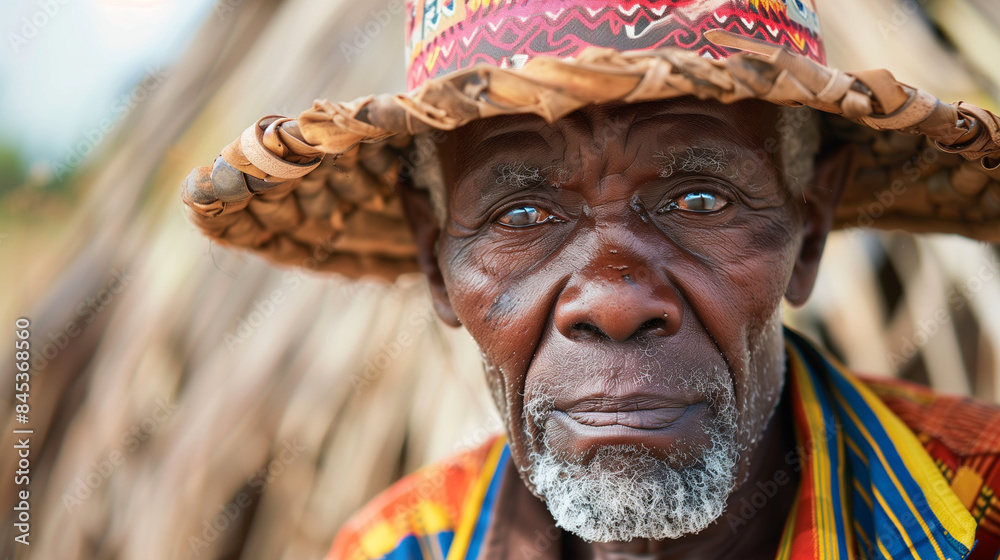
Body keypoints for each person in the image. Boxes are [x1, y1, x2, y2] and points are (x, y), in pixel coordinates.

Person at [181, 1, 1000, 558]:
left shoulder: (984, 505)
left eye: (698, 198)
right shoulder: (400, 547)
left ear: (809, 226)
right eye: (522, 214)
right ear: (437, 260)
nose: (611, 300)